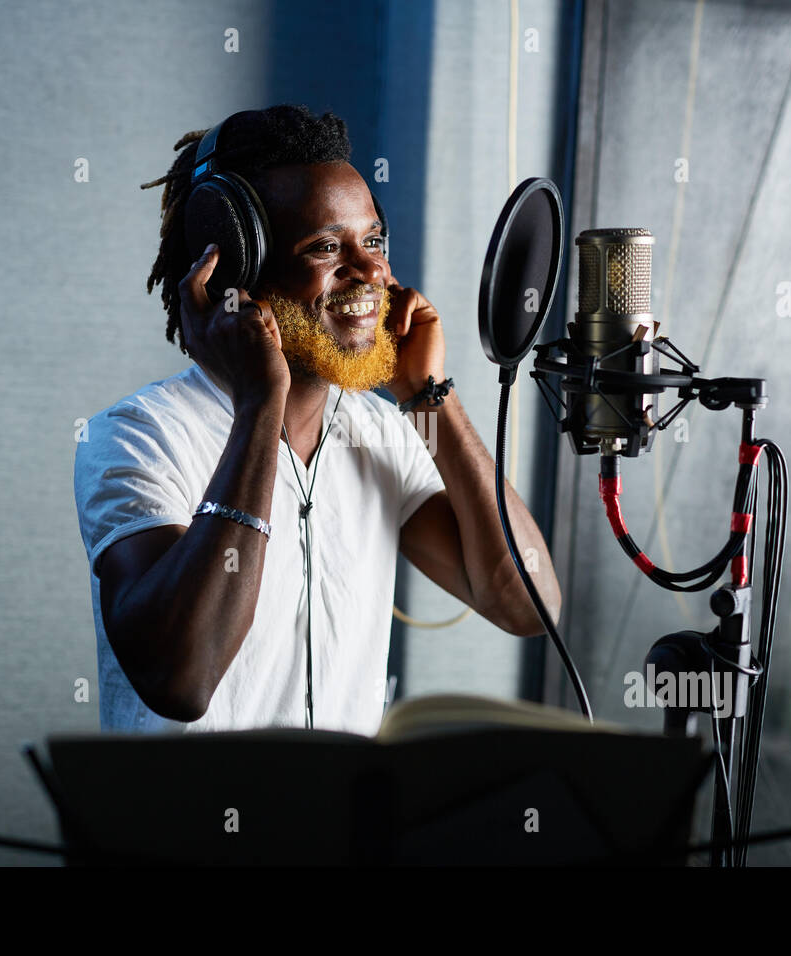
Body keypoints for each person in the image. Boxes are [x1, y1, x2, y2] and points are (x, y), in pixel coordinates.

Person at [74, 104, 560, 735]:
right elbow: (181, 679)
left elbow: (529, 605)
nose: (371, 273)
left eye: (374, 241)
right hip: (184, 833)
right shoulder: (138, 437)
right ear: (237, 269)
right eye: (327, 246)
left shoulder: (384, 430)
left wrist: (430, 399)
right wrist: (259, 405)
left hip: (341, 832)